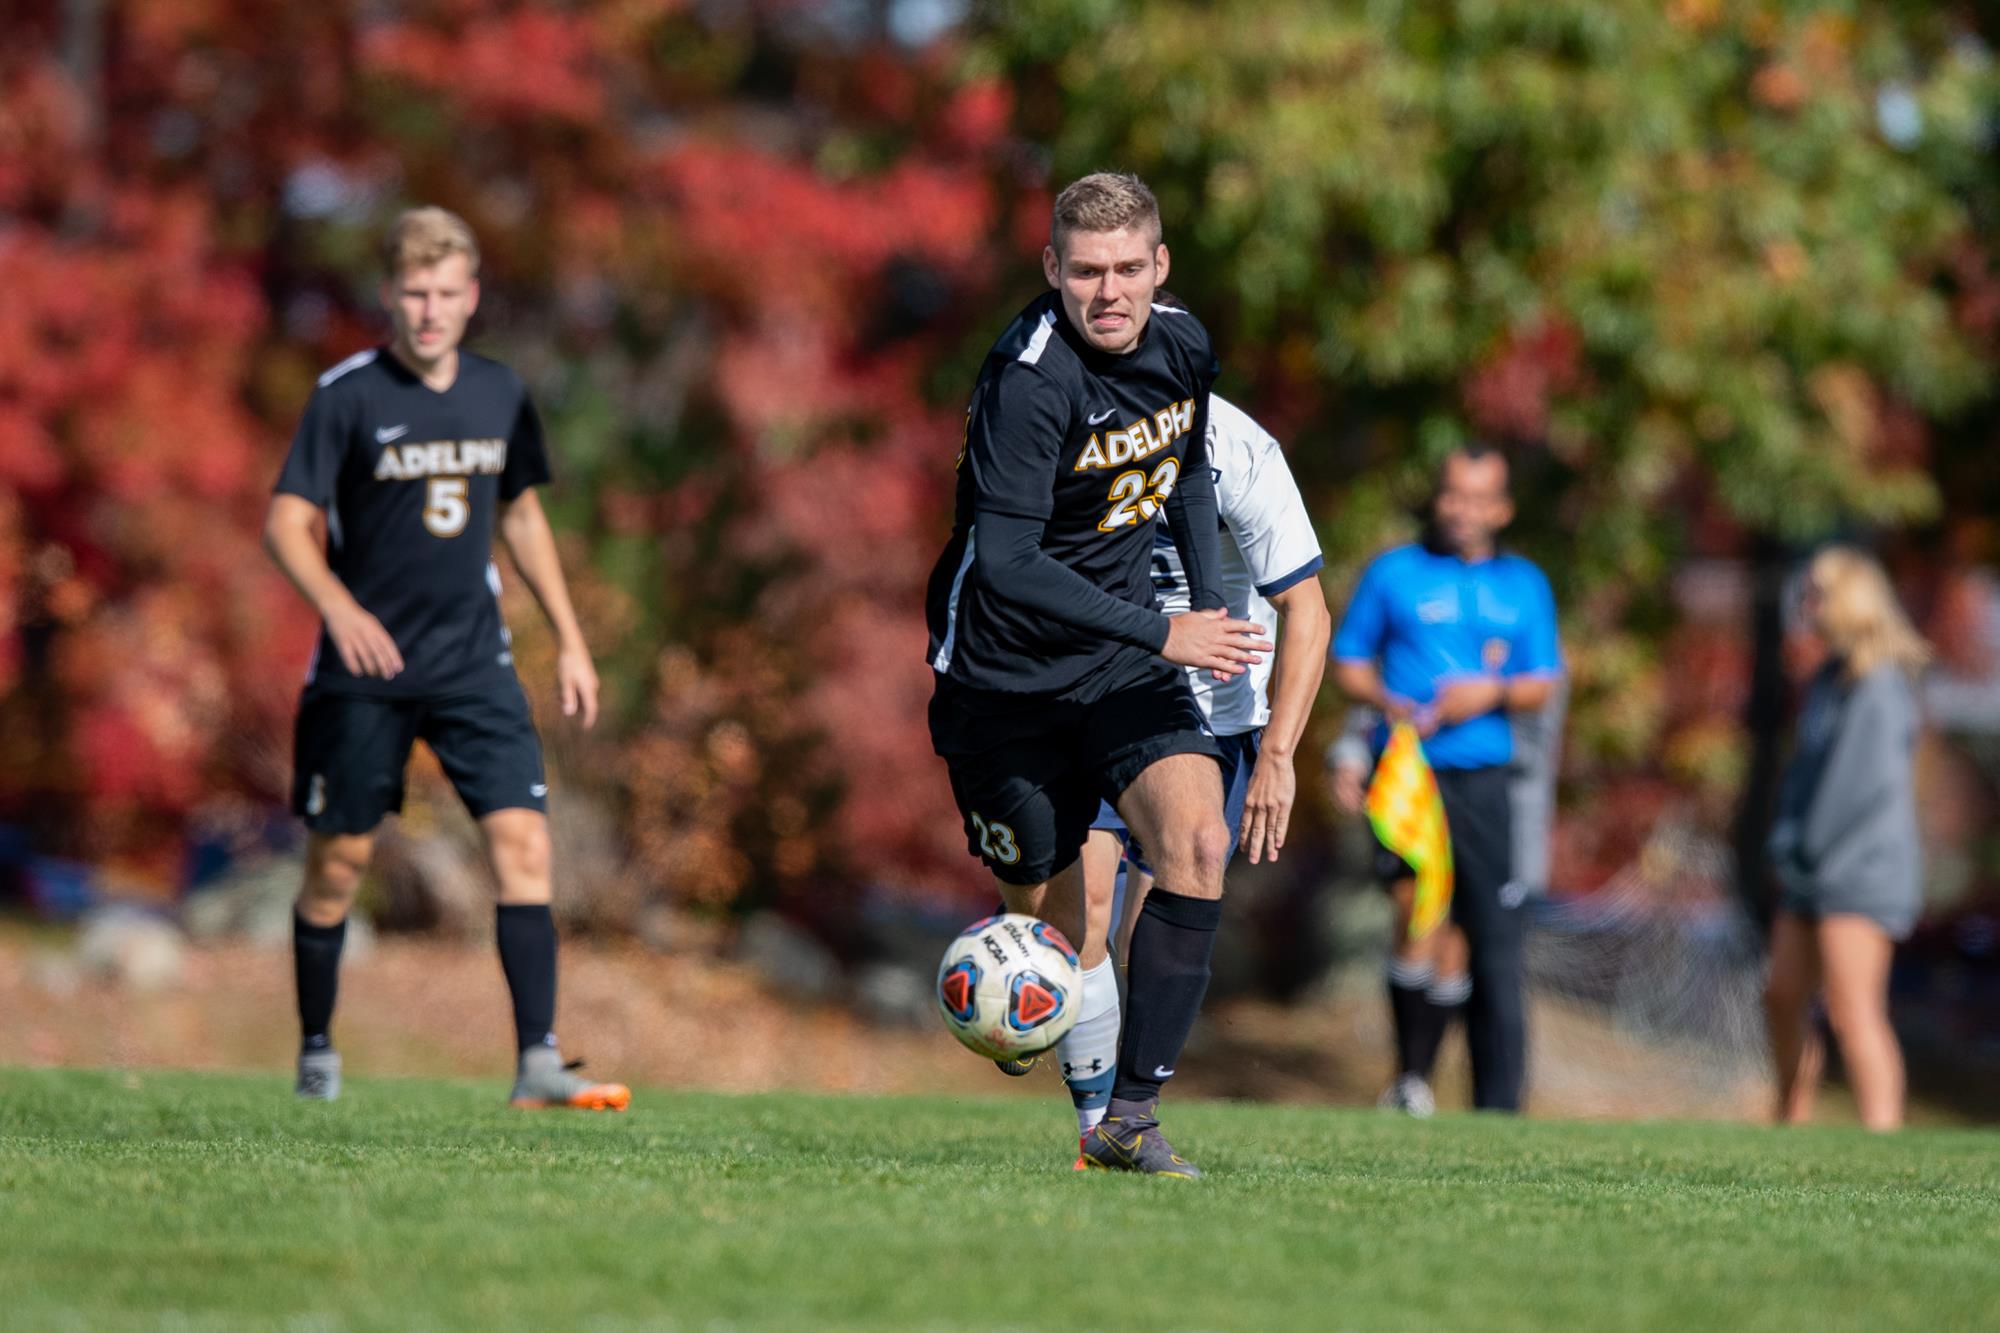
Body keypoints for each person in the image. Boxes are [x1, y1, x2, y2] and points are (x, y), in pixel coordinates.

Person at [924, 173, 1271, 1176]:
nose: (1106, 292)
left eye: (1126, 269)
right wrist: (1167, 634)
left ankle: (1127, 1117)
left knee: (1196, 841)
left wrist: (1199, 612)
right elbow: (1008, 562)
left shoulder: (1181, 344)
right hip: (1004, 679)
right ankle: (1016, 985)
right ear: (1051, 271)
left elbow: (1189, 473)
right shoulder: (1028, 382)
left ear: (1158, 267)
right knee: (1050, 907)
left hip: (1124, 663)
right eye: (1084, 272)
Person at [265, 207, 628, 1111]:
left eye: (447, 294)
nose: (430, 311)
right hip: (365, 671)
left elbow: (521, 517)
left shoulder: (499, 392)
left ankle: (538, 1060)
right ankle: (316, 1048)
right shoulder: (345, 393)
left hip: (475, 661)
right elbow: (284, 524)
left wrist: (573, 640)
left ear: (471, 299)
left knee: (523, 843)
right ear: (390, 295)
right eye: (414, 293)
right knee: (337, 864)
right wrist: (339, 609)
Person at [1056, 392, 1328, 1160]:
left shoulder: (1239, 445)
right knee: (1084, 909)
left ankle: (1127, 1110)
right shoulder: (1066, 426)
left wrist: (1280, 752)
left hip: (1215, 715)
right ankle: (1097, 1124)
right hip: (1100, 691)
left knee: (1162, 903)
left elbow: (1306, 607)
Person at [1329, 446, 1561, 1113]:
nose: (1463, 508)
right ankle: (1409, 1075)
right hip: (1406, 771)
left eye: (1479, 496)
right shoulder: (1394, 573)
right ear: (1438, 498)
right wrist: (1386, 701)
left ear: (1503, 508)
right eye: (1453, 493)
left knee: (1461, 929)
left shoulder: (1525, 584)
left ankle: (1422, 1080)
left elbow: (1541, 684)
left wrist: (1486, 694)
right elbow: (1347, 662)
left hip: (1486, 776)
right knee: (1412, 908)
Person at [1763, 546, 1928, 1132]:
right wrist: (1789, 845)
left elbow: (1857, 790)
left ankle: (1882, 1136)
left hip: (1860, 871)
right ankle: (1791, 1113)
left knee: (1854, 1013)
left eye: (1816, 594)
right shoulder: (1828, 678)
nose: (1805, 606)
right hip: (1810, 866)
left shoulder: (1879, 684)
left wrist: (1804, 847)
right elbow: (1805, 778)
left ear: (1849, 599)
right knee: (1782, 994)